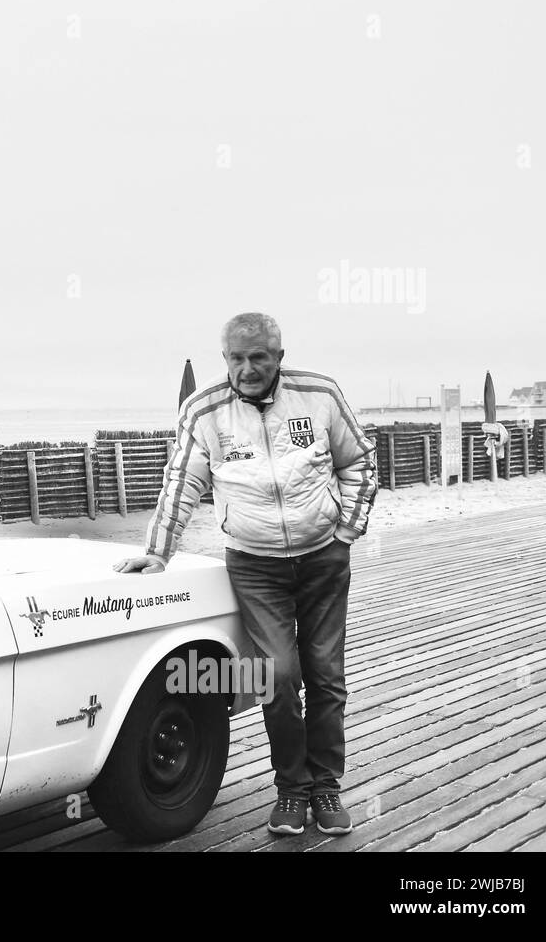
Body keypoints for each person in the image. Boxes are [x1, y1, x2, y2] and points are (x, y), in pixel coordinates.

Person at [114, 312, 378, 837]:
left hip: (324, 557)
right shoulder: (205, 410)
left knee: (325, 675)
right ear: (225, 359)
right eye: (237, 358)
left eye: (259, 357)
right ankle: (290, 790)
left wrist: (346, 530)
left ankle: (325, 788)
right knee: (276, 677)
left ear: (279, 356)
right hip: (255, 567)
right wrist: (157, 553)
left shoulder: (320, 395)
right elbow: (181, 481)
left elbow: (361, 463)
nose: (248, 368)